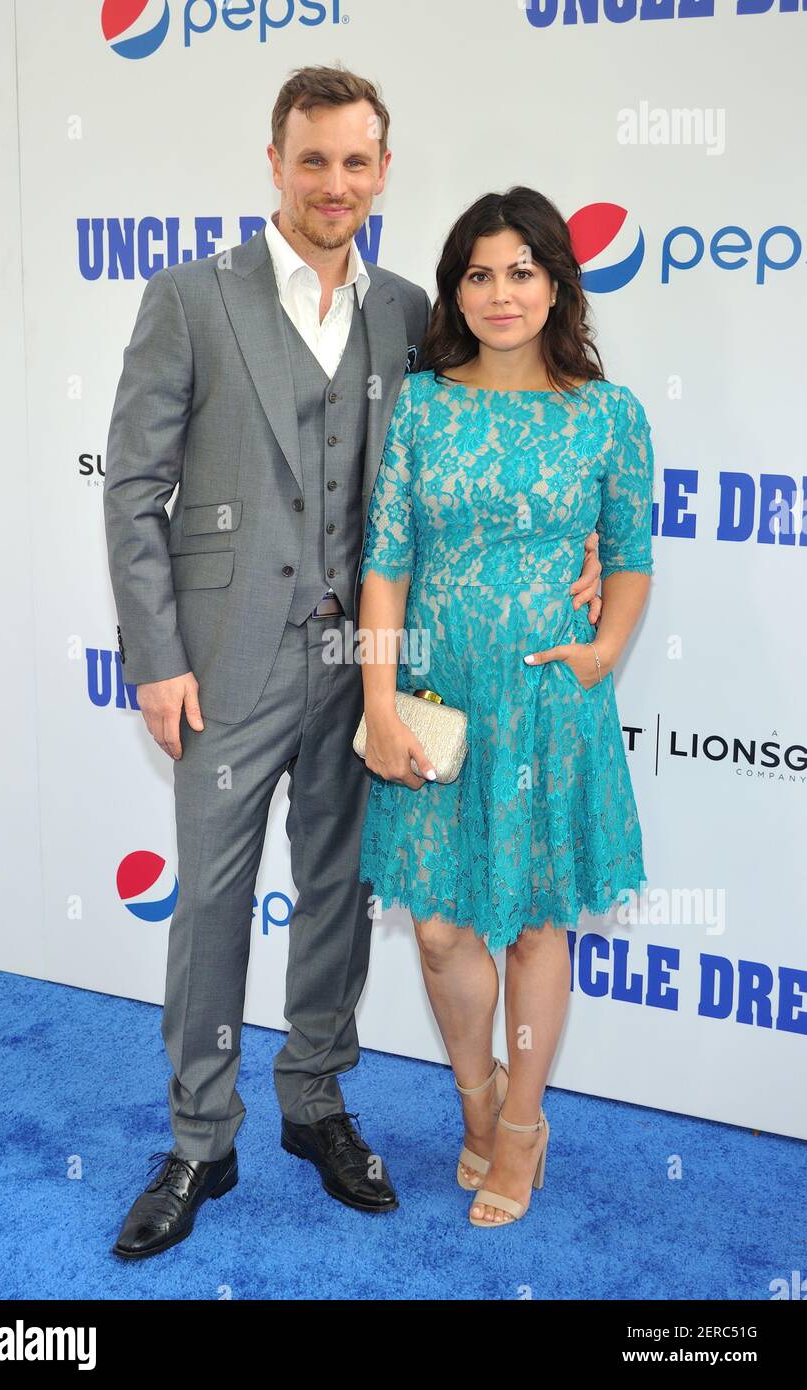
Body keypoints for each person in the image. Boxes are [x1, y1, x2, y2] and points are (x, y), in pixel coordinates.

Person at [103, 64, 603, 1259]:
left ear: (384, 170)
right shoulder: (188, 296)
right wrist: (157, 655)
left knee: (338, 893)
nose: (336, 183)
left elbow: (489, 431)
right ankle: (197, 1137)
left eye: (357, 162)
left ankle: (316, 1098)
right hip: (220, 661)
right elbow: (133, 490)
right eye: (313, 159)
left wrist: (582, 533)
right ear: (274, 162)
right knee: (214, 899)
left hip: (367, 663)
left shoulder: (400, 312)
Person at [357, 186, 655, 1229]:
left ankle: (518, 1129)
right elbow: (385, 559)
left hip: (543, 702)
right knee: (439, 928)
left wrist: (604, 651)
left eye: (520, 271)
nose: (499, 293)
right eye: (477, 274)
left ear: (556, 282)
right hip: (436, 700)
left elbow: (628, 555)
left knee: (533, 924)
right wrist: (379, 695)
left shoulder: (608, 413)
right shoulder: (424, 403)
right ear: (455, 290)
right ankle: (474, 1098)